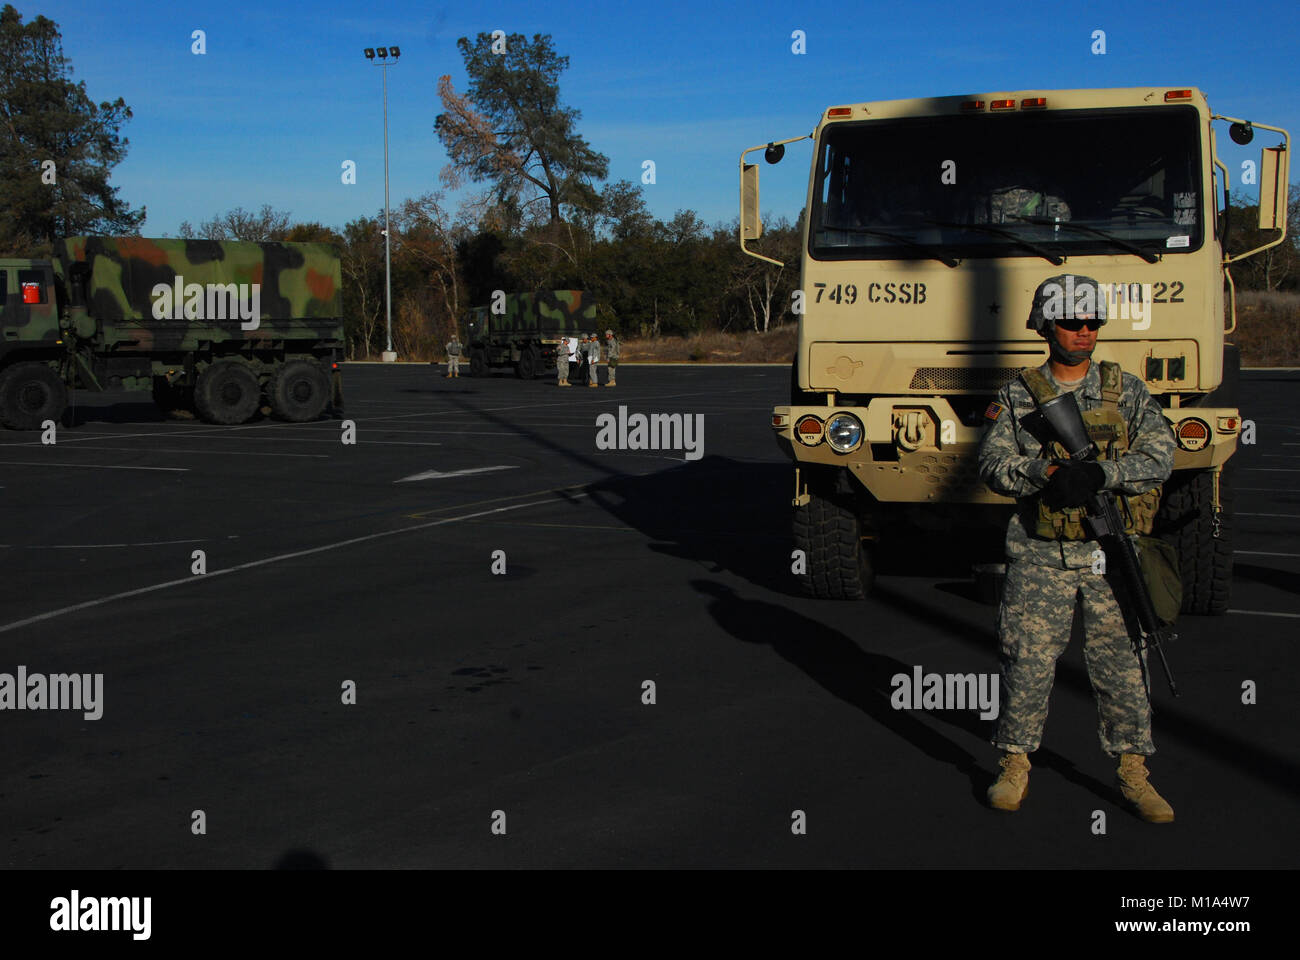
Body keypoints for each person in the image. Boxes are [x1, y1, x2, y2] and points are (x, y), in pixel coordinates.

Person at [977, 273, 1177, 823]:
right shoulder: (1019, 394)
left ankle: (1134, 773)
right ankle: (1014, 765)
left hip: (1111, 549)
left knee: (1123, 665)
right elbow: (992, 465)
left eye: (1093, 322)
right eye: (1071, 321)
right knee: (1028, 660)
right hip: (1041, 553)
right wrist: (1045, 473)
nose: (1085, 331)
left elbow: (1162, 456)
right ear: (1045, 325)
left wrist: (1103, 474)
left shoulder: (1126, 388)